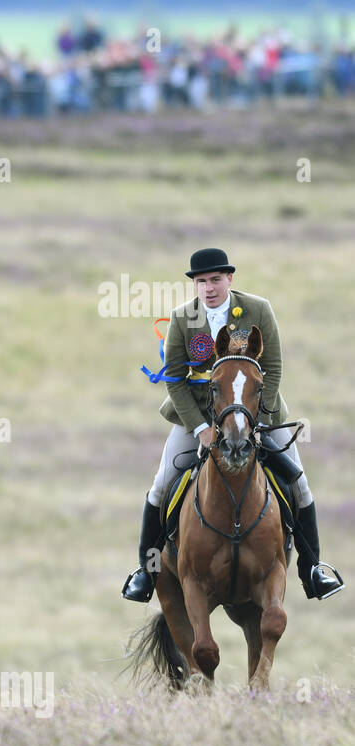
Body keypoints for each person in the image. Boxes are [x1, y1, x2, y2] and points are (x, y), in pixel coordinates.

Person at [122, 248, 343, 603]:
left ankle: (313, 570)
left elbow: (272, 367)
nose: (207, 288)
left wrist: (258, 422)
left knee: (299, 483)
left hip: (256, 414)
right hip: (198, 416)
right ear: (194, 285)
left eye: (214, 280)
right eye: (200, 282)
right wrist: (200, 429)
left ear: (229, 279)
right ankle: (144, 575)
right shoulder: (182, 318)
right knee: (161, 485)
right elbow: (175, 380)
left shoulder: (258, 309)